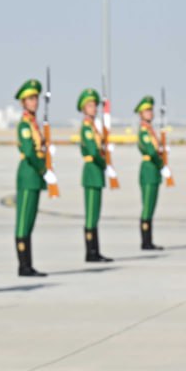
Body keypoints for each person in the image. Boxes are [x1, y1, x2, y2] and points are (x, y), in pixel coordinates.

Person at [15, 79, 55, 276]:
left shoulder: (33, 124)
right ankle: (23, 266)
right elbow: (30, 152)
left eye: (36, 98)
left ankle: (28, 264)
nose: (34, 102)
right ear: (23, 102)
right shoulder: (25, 125)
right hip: (29, 172)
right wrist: (43, 169)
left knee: (30, 220)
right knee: (23, 220)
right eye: (30, 99)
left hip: (35, 175)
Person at [78, 88, 114, 263]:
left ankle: (95, 251)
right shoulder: (87, 128)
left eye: (95, 105)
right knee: (91, 214)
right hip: (92, 171)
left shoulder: (94, 127)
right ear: (84, 108)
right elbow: (93, 150)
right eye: (90, 105)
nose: (94, 108)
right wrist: (105, 162)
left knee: (95, 213)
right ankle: (91, 252)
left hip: (96, 171)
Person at [134, 95, 170, 250]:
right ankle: (145, 242)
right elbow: (151, 151)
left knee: (151, 206)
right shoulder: (144, 131)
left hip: (153, 170)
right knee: (147, 206)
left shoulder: (150, 130)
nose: (150, 113)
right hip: (149, 169)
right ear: (141, 114)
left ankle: (148, 240)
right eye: (147, 110)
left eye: (150, 110)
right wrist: (162, 164)